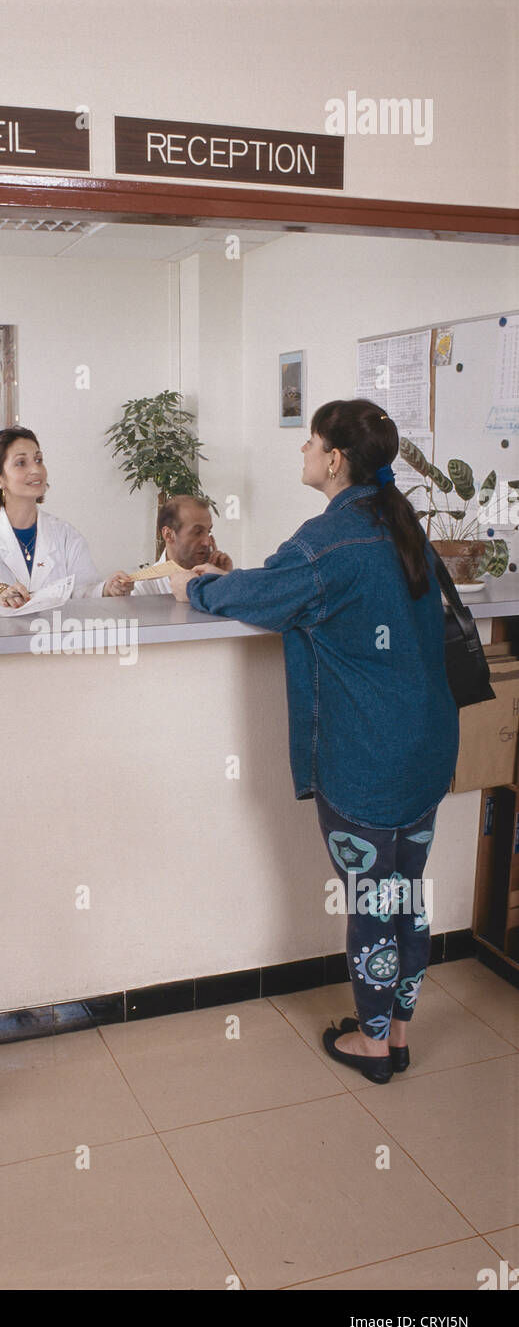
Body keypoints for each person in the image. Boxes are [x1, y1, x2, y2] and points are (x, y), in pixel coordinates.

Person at [170, 399, 459, 1084]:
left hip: (366, 758)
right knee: (405, 897)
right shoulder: (399, 523)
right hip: (425, 747)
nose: (301, 453)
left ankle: (371, 1043)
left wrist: (193, 588)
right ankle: (401, 1035)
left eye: (309, 443)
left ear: (333, 460)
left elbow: (259, 595)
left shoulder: (328, 541)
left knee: (369, 903)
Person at [0, 426, 133, 608]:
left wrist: (107, 589)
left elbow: (84, 590)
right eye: (21, 463)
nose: (36, 469)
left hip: (58, 633)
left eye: (38, 460)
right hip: (2, 635)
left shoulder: (65, 534)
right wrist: (0, 591)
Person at [132, 495, 233, 595]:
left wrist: (225, 581)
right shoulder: (144, 590)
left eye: (208, 531)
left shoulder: (215, 574)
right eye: (197, 532)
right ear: (168, 535)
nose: (207, 542)